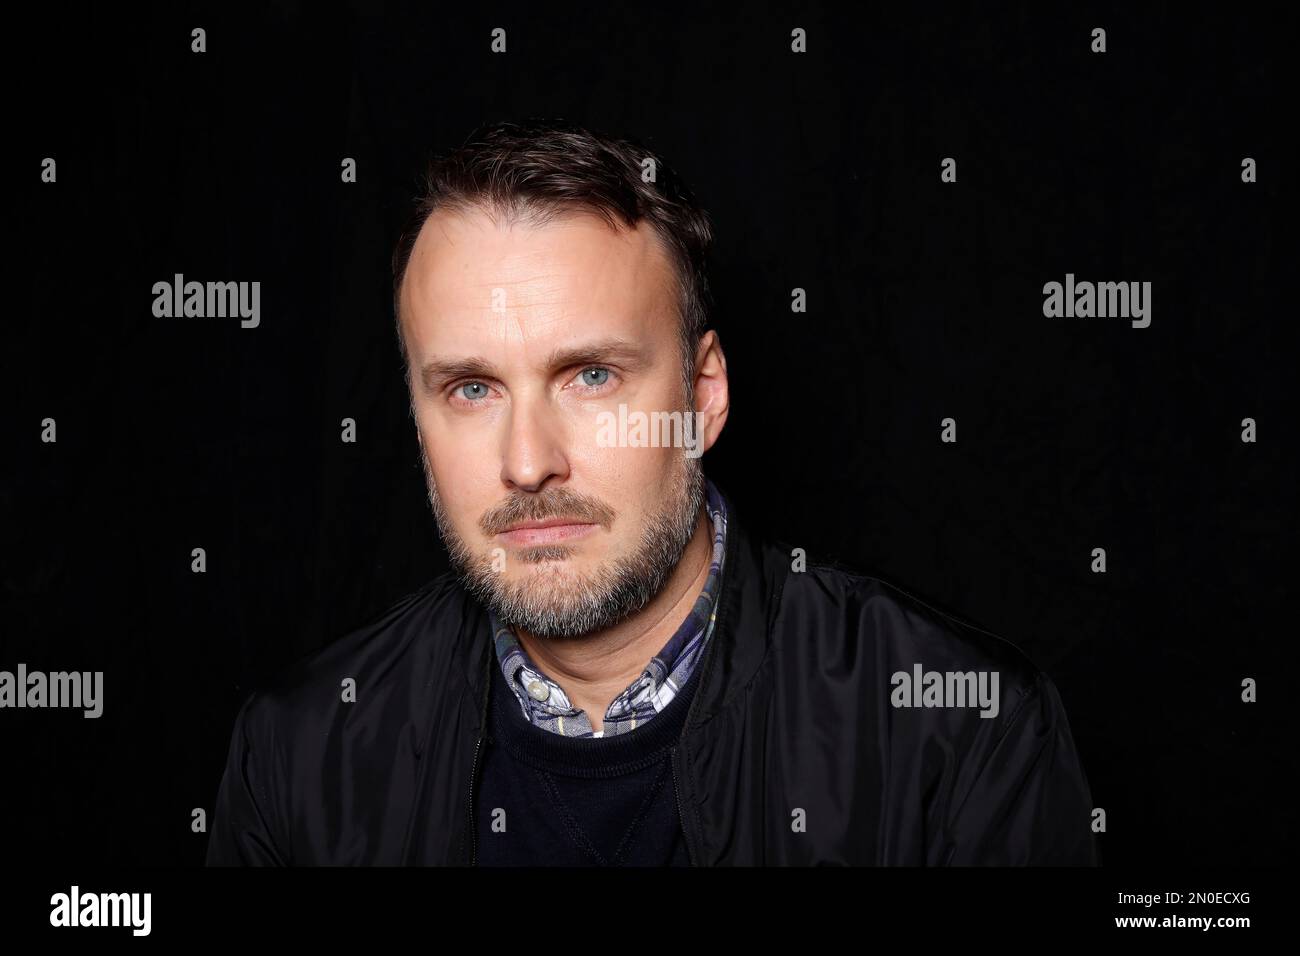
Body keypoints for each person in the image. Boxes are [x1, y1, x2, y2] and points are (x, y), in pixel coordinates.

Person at [206, 118, 1099, 866]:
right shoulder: (299, 754)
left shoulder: (956, 734)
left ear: (701, 396)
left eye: (590, 376)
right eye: (472, 389)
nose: (527, 463)